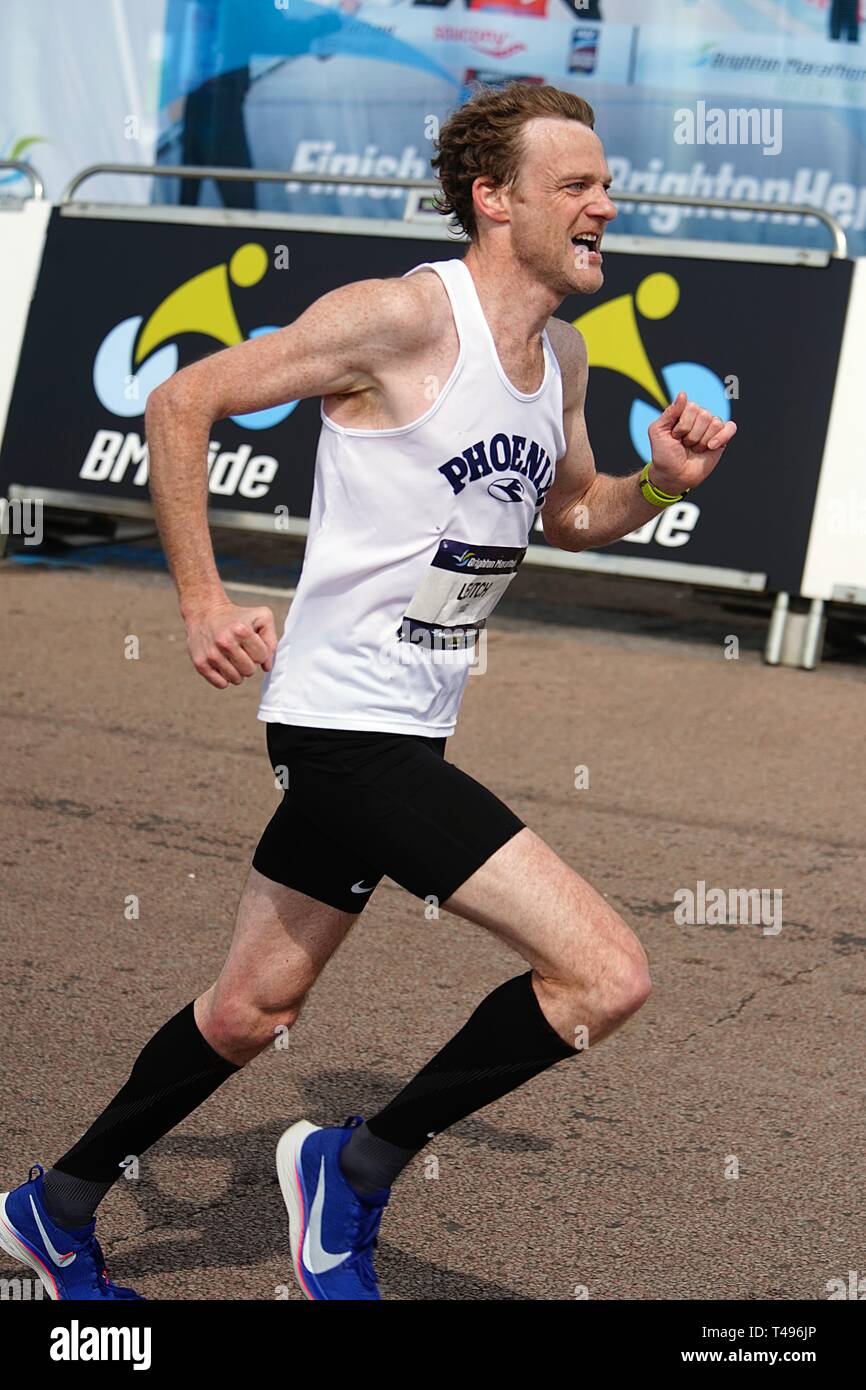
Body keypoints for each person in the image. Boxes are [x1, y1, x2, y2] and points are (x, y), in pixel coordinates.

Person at [0, 81, 736, 1301]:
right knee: (604, 975)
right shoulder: (399, 318)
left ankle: (51, 1205)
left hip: (409, 729)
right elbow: (184, 401)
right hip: (344, 727)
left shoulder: (561, 351)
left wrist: (658, 485)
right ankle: (350, 1170)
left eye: (606, 185)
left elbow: (568, 510)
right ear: (493, 199)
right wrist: (198, 601)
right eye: (577, 186)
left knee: (250, 1007)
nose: (606, 205)